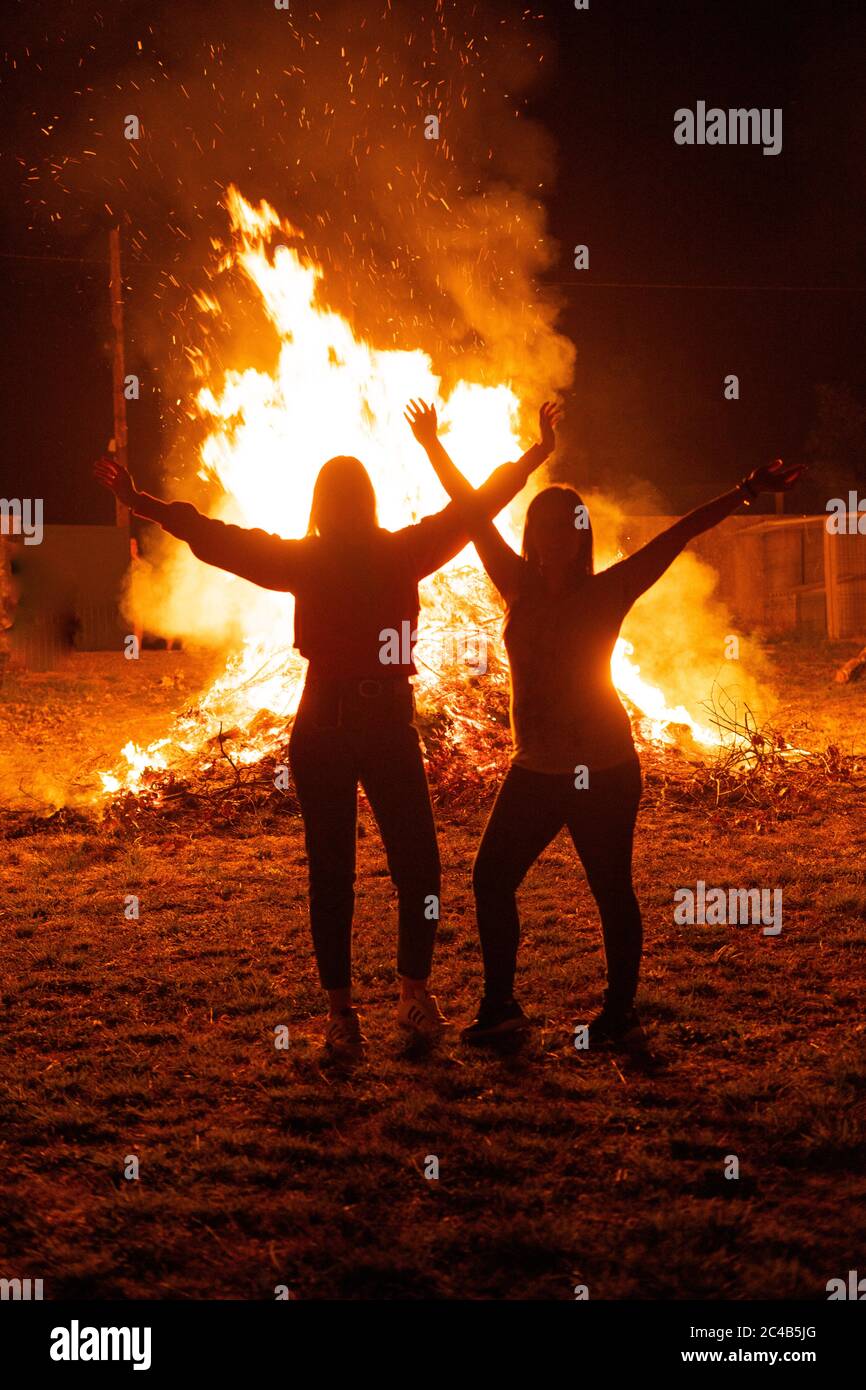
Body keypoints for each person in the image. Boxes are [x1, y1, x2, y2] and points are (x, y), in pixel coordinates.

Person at [94, 401, 560, 1065]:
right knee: (338, 873)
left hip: (381, 723)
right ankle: (346, 1014)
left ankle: (409, 995)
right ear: (332, 505)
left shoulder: (392, 552)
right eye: (337, 499)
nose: (343, 508)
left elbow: (475, 506)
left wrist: (536, 455)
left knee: (416, 866)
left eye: (349, 498)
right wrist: (141, 503)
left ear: (358, 504)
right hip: (329, 726)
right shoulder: (337, 557)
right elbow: (219, 536)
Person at [405, 399, 802, 1047]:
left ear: (580, 536)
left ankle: (619, 1013)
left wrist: (747, 491)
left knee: (610, 889)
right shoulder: (515, 582)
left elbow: (680, 533)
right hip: (534, 769)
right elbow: (472, 511)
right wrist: (434, 445)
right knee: (491, 878)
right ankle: (502, 1007)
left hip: (604, 771)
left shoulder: (609, 590)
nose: (550, 538)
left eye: (565, 527)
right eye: (542, 528)